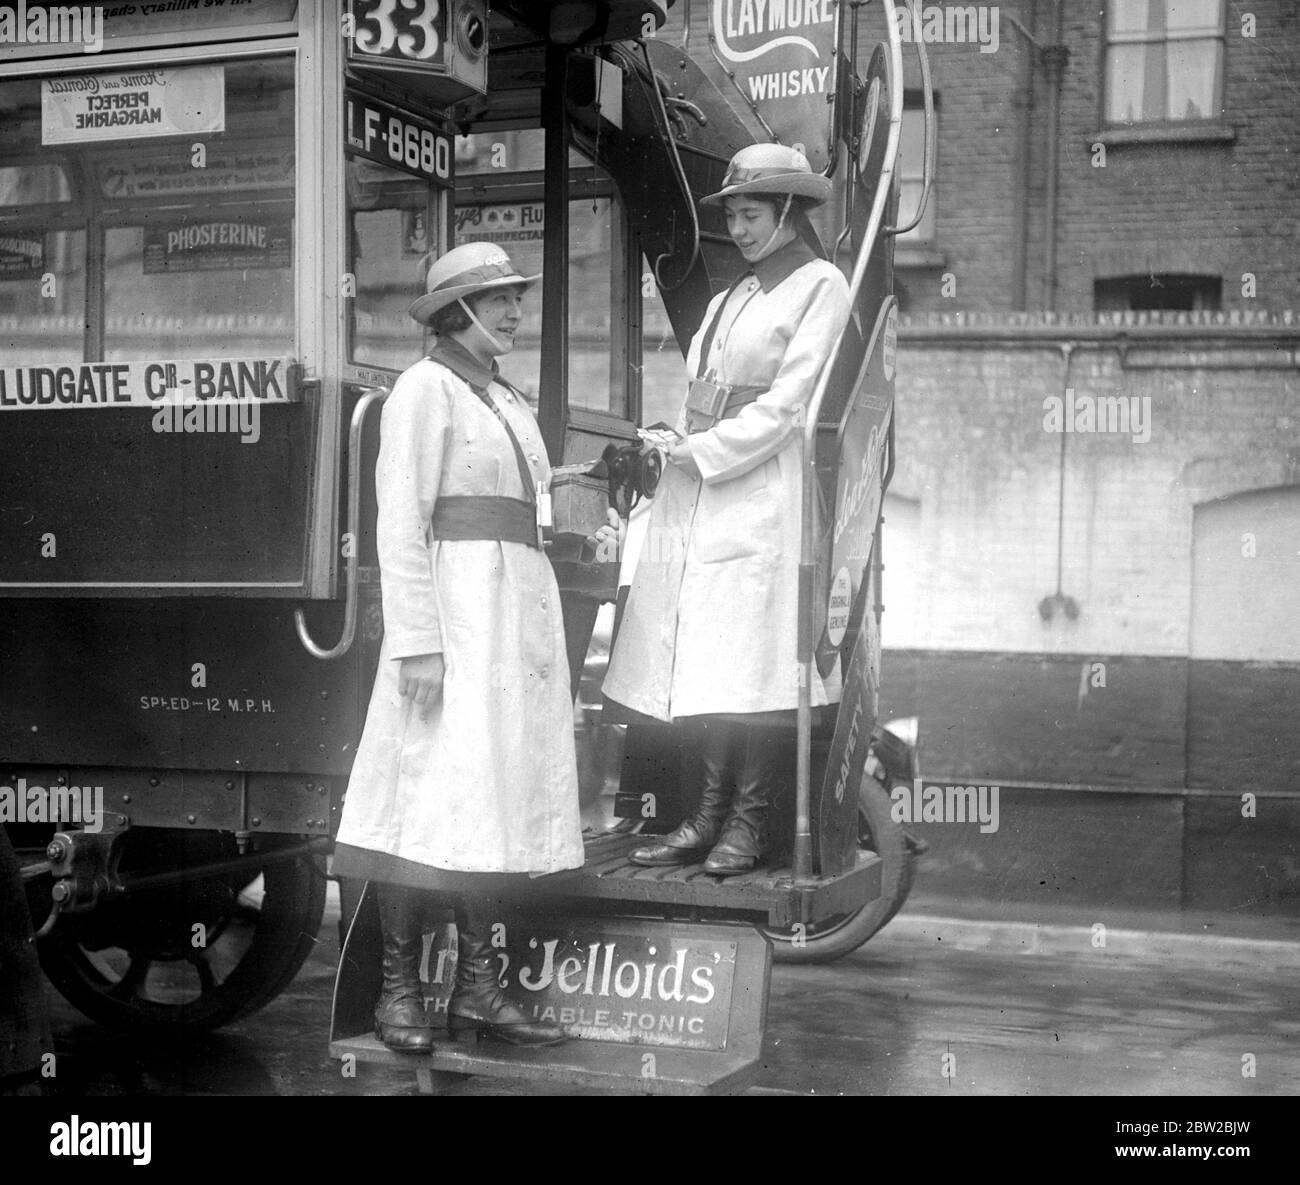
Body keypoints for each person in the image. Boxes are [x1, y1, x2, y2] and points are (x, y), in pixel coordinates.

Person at [333, 241, 584, 1050]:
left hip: (509, 620)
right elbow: (399, 521)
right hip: (454, 619)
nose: (515, 309)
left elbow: (525, 501)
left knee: (492, 802)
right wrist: (418, 644)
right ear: (457, 311)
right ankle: (398, 994)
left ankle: (479, 990)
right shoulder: (423, 390)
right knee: (427, 805)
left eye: (516, 295)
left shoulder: (502, 398)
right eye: (499, 298)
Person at [602, 144, 851, 876]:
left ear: (787, 212)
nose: (738, 228)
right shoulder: (728, 298)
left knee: (759, 667)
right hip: (707, 491)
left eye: (751, 213)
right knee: (710, 661)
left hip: (764, 493)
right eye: (734, 214)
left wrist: (703, 452)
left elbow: (788, 406)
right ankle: (705, 816)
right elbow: (704, 396)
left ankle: (746, 823)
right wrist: (674, 443)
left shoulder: (819, 287)